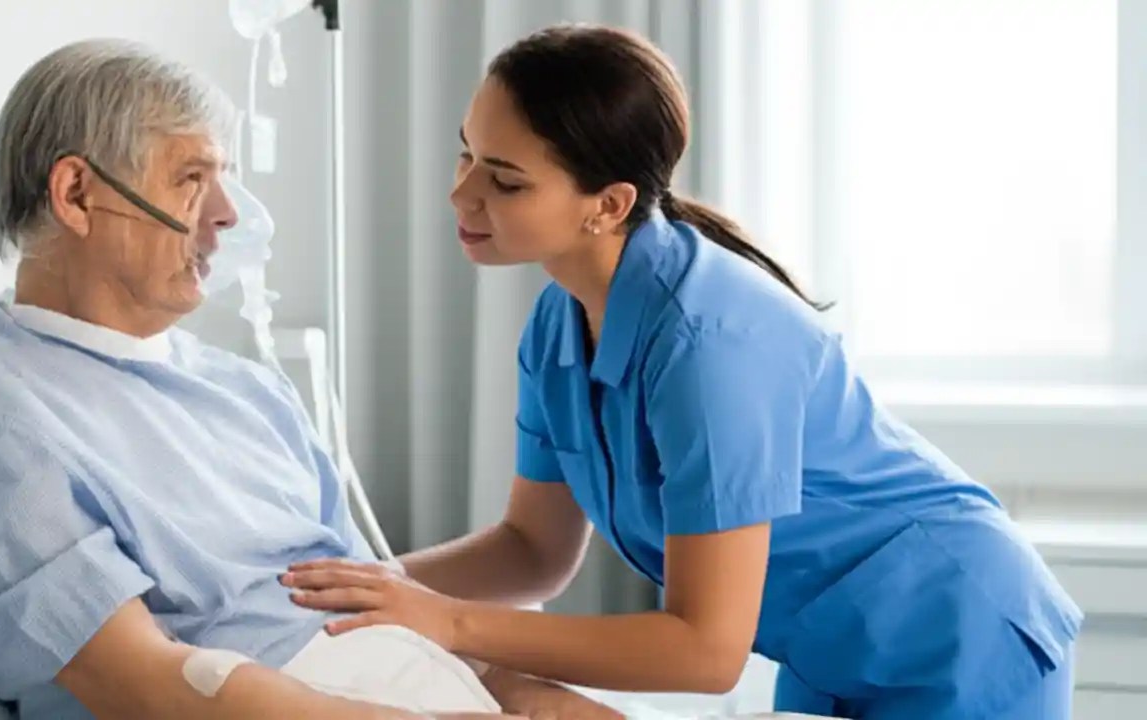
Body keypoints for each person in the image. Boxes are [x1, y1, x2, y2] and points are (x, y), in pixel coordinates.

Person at [280, 24, 1083, 720]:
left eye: (505, 178)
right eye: (465, 152)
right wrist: (363, 589)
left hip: (958, 636)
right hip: (834, 652)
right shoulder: (560, 319)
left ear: (608, 204)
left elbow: (704, 653)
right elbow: (533, 549)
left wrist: (446, 623)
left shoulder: (710, 345)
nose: (461, 192)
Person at [0, 38, 614, 720]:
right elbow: (141, 683)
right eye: (192, 179)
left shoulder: (246, 392)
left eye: (224, 179)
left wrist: (520, 692)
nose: (229, 214)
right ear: (77, 194)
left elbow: (375, 603)